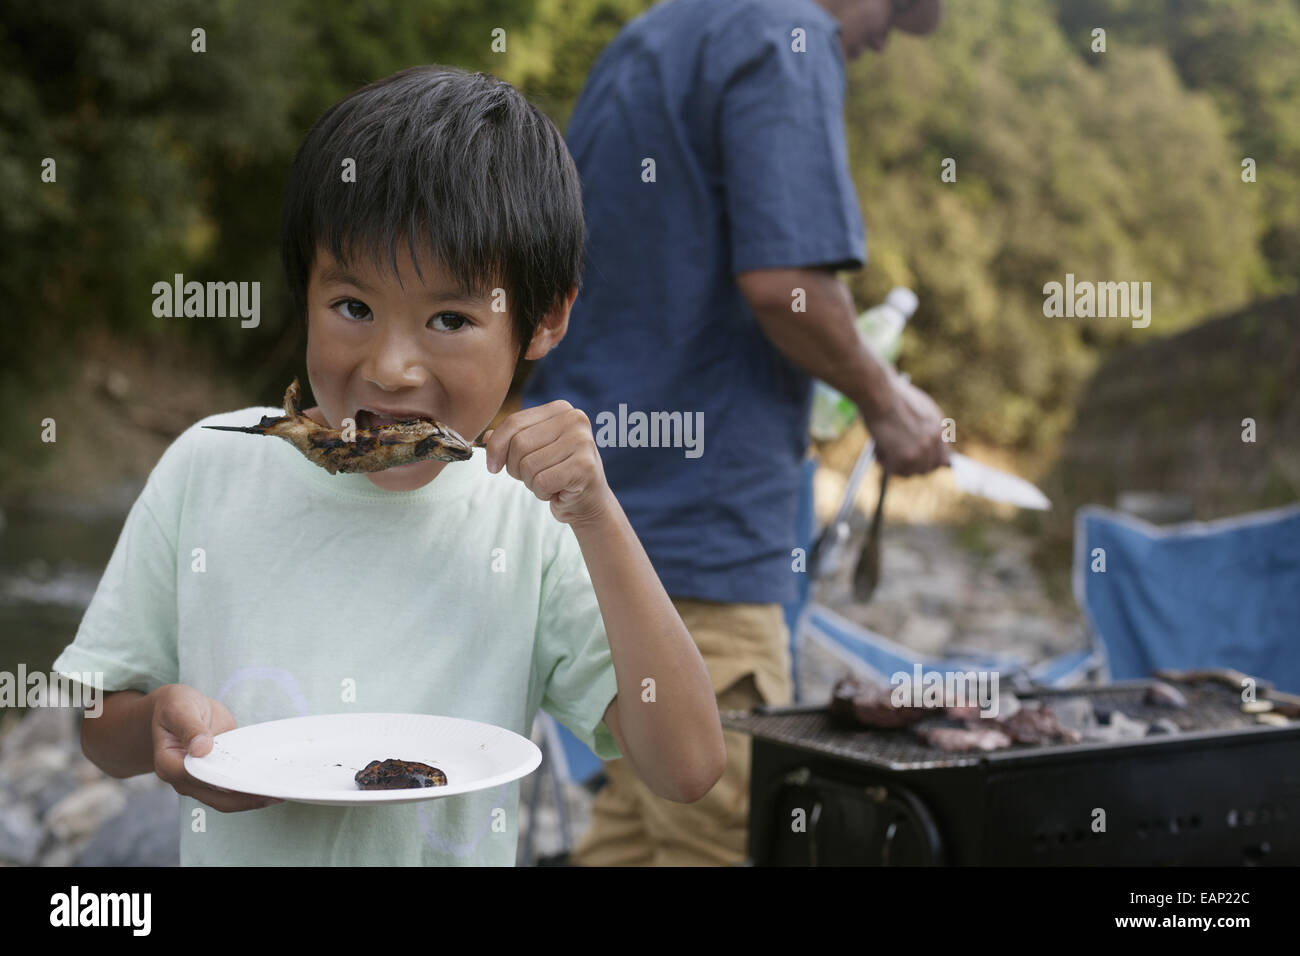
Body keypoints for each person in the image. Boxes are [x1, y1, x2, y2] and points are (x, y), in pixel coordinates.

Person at [52, 65, 725, 866]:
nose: (392, 367)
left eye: (450, 317)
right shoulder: (210, 466)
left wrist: (599, 516)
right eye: (353, 308)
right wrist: (160, 721)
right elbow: (100, 722)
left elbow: (686, 767)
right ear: (304, 290)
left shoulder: (531, 518)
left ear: (543, 321)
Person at [522, 0, 949, 866]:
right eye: (893, 18)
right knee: (720, 830)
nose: (873, 44)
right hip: (703, 535)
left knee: (632, 831)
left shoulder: (648, 37)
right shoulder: (786, 37)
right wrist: (887, 400)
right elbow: (784, 280)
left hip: (595, 526)